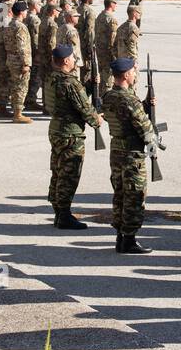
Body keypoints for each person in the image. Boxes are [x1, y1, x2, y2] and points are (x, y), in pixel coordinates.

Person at [101, 57, 157, 254]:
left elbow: (124, 113)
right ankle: (129, 239)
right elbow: (145, 128)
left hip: (116, 150)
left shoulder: (108, 96)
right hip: (132, 154)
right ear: (125, 75)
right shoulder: (130, 100)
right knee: (135, 195)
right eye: (133, 72)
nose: (135, 75)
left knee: (120, 193)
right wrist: (154, 136)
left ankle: (120, 236)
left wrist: (144, 105)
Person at [46, 44, 104, 230]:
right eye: (72, 58)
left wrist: (87, 85)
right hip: (70, 134)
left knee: (57, 171)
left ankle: (58, 210)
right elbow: (85, 110)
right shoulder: (70, 83)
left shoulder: (52, 78)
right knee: (69, 174)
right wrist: (97, 119)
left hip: (56, 130)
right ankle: (64, 215)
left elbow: (69, 100)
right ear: (65, 61)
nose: (74, 61)